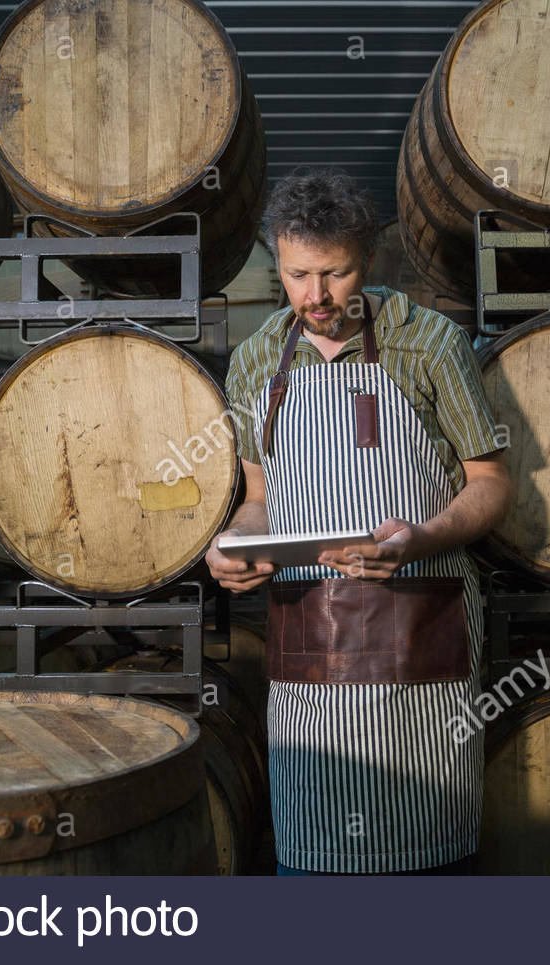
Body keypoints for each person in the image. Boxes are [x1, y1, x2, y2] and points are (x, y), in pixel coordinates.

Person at [205, 167, 512, 875]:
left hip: (421, 655)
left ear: (367, 262)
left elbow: (493, 484)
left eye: (335, 274)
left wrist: (422, 536)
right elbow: (259, 495)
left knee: (428, 862)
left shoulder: (430, 345)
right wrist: (239, 542)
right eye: (297, 274)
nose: (315, 297)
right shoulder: (256, 364)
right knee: (315, 870)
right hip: (310, 659)